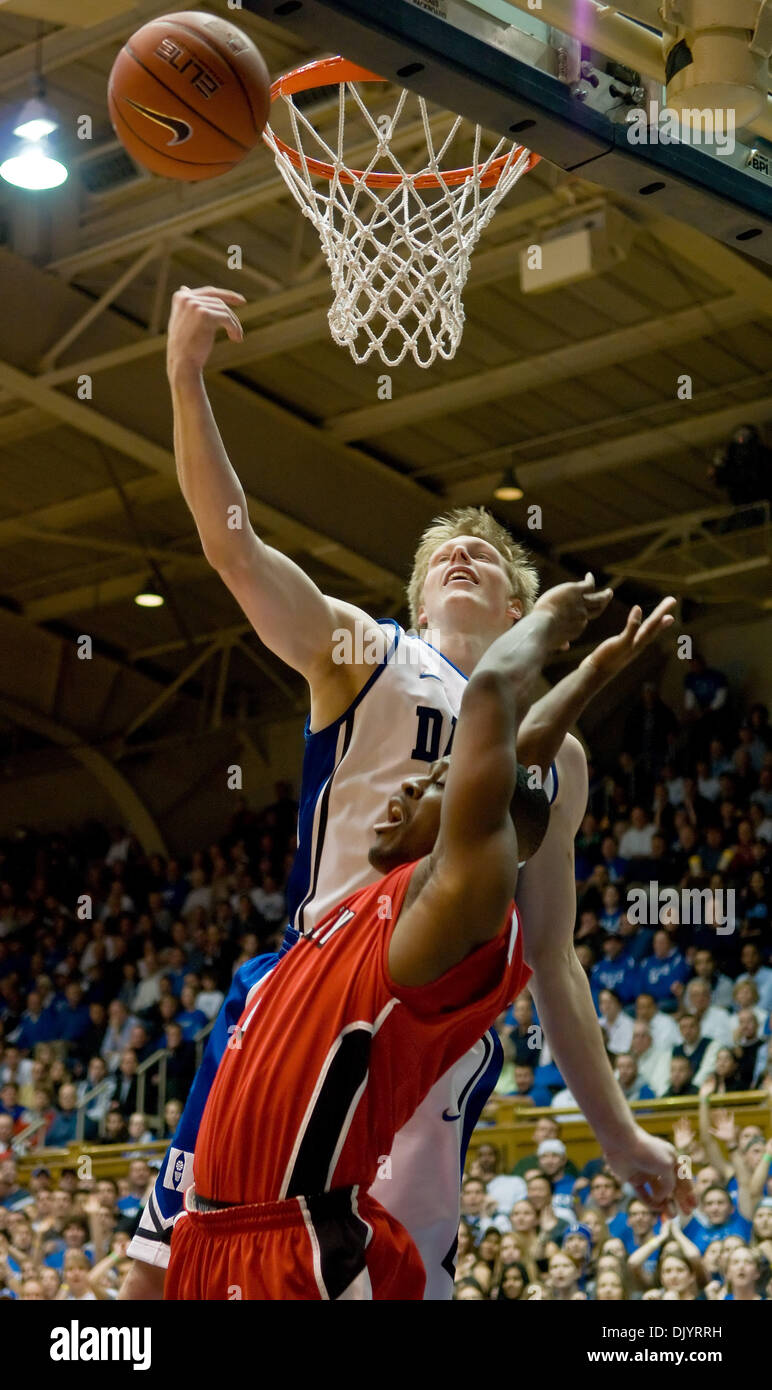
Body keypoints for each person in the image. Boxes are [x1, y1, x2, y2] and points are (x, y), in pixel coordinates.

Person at [122, 285, 682, 1299]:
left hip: (435, 1037)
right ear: (415, 600)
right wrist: (184, 376)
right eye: (439, 559)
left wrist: (620, 1132)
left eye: (483, 557)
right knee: (157, 1282)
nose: (460, 556)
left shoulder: (560, 756)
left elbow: (551, 959)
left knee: (395, 1280)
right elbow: (232, 546)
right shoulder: (366, 653)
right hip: (305, 1001)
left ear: (514, 606)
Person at [162, 582, 603, 1298]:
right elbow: (511, 753)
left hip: (295, 1247)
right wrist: (593, 676)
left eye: (432, 787)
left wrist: (552, 625)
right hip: (214, 1241)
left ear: (468, 826)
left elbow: (491, 702)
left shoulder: (442, 918)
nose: (404, 789)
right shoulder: (356, 908)